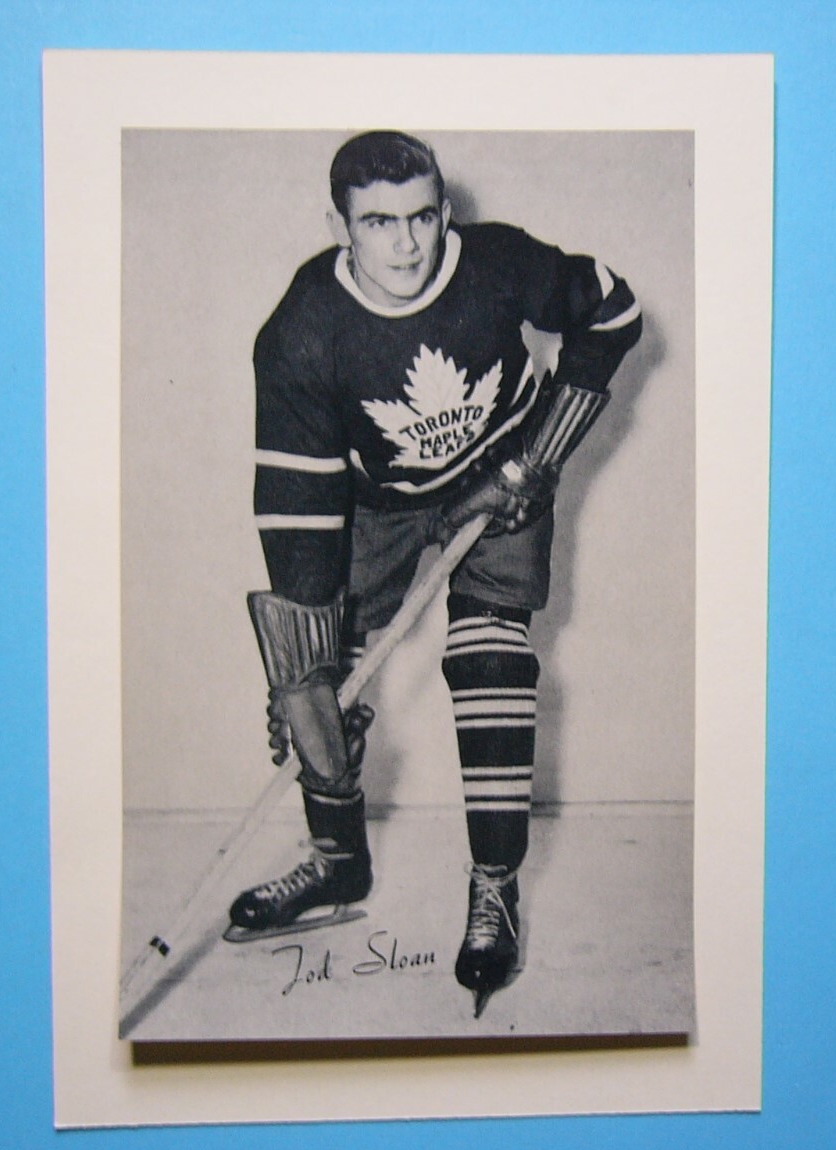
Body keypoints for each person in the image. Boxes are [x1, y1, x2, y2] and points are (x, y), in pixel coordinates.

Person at [231, 131, 642, 1015]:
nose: (407, 245)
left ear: (445, 209)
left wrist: (535, 464)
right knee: (319, 683)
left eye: (422, 216)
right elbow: (300, 508)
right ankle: (338, 864)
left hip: (504, 474)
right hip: (379, 500)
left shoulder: (496, 263)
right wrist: (303, 672)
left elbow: (613, 313)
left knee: (491, 660)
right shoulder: (301, 333)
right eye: (378, 223)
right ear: (338, 223)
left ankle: (494, 884)